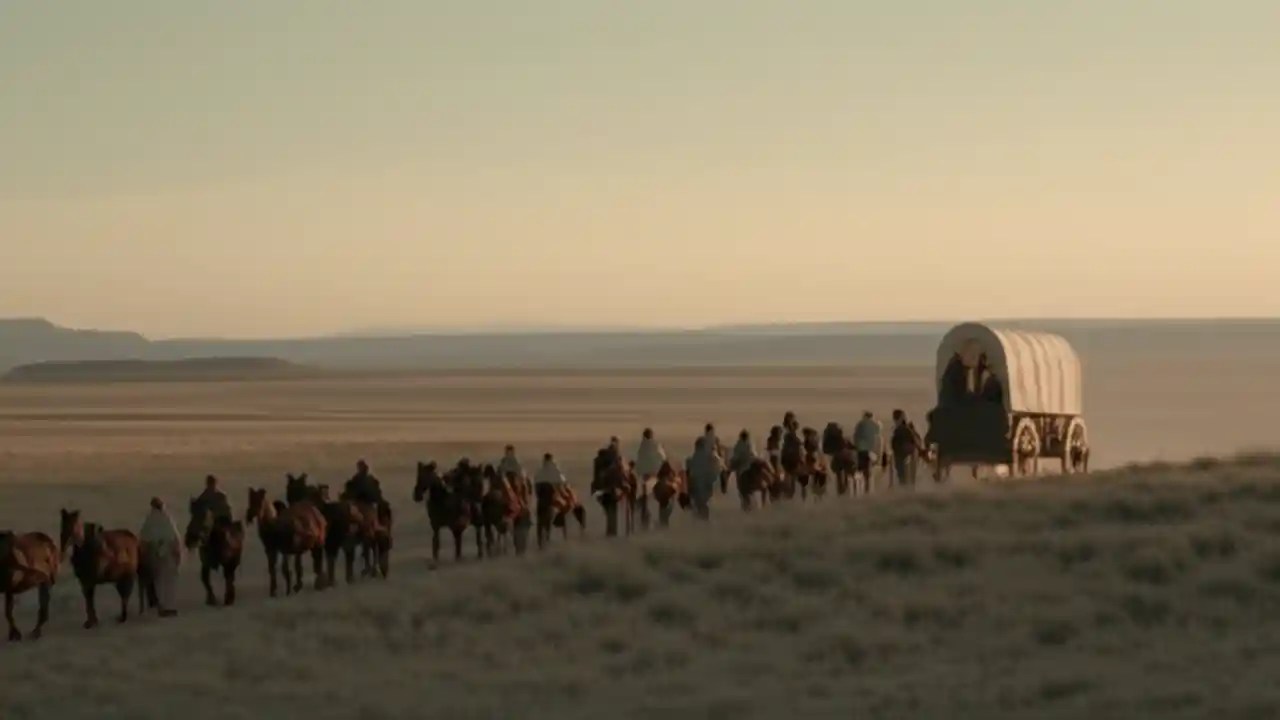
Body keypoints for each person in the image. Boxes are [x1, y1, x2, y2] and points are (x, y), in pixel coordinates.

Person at [140, 498, 183, 618]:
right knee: (169, 582)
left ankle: (163, 606)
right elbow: (175, 538)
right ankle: (169, 606)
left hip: (156, 554)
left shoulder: (150, 520)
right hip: (167, 553)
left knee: (159, 581)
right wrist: (178, 555)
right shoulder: (167, 519)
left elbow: (144, 539)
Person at [634, 429, 667, 531]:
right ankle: (653, 520)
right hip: (654, 474)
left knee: (644, 497)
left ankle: (644, 517)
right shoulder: (656, 445)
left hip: (644, 475)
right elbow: (663, 458)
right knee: (653, 497)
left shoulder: (641, 447)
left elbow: (638, 461)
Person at [686, 438, 724, 521]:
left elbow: (689, 473)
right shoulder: (711, 457)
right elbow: (717, 471)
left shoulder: (693, 458)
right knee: (703, 503)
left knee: (698, 504)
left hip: (696, 484)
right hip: (706, 484)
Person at [890, 410, 922, 486]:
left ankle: (904, 488)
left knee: (903, 476)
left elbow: (895, 444)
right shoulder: (908, 429)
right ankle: (907, 488)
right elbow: (917, 442)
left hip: (902, 454)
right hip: (909, 453)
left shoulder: (900, 430)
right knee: (909, 476)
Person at [853, 411, 882, 484]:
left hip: (861, 448)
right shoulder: (873, 424)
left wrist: (856, 445)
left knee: (861, 466)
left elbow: (855, 435)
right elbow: (878, 431)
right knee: (868, 465)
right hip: (870, 449)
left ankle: (860, 484)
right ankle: (867, 483)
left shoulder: (860, 423)